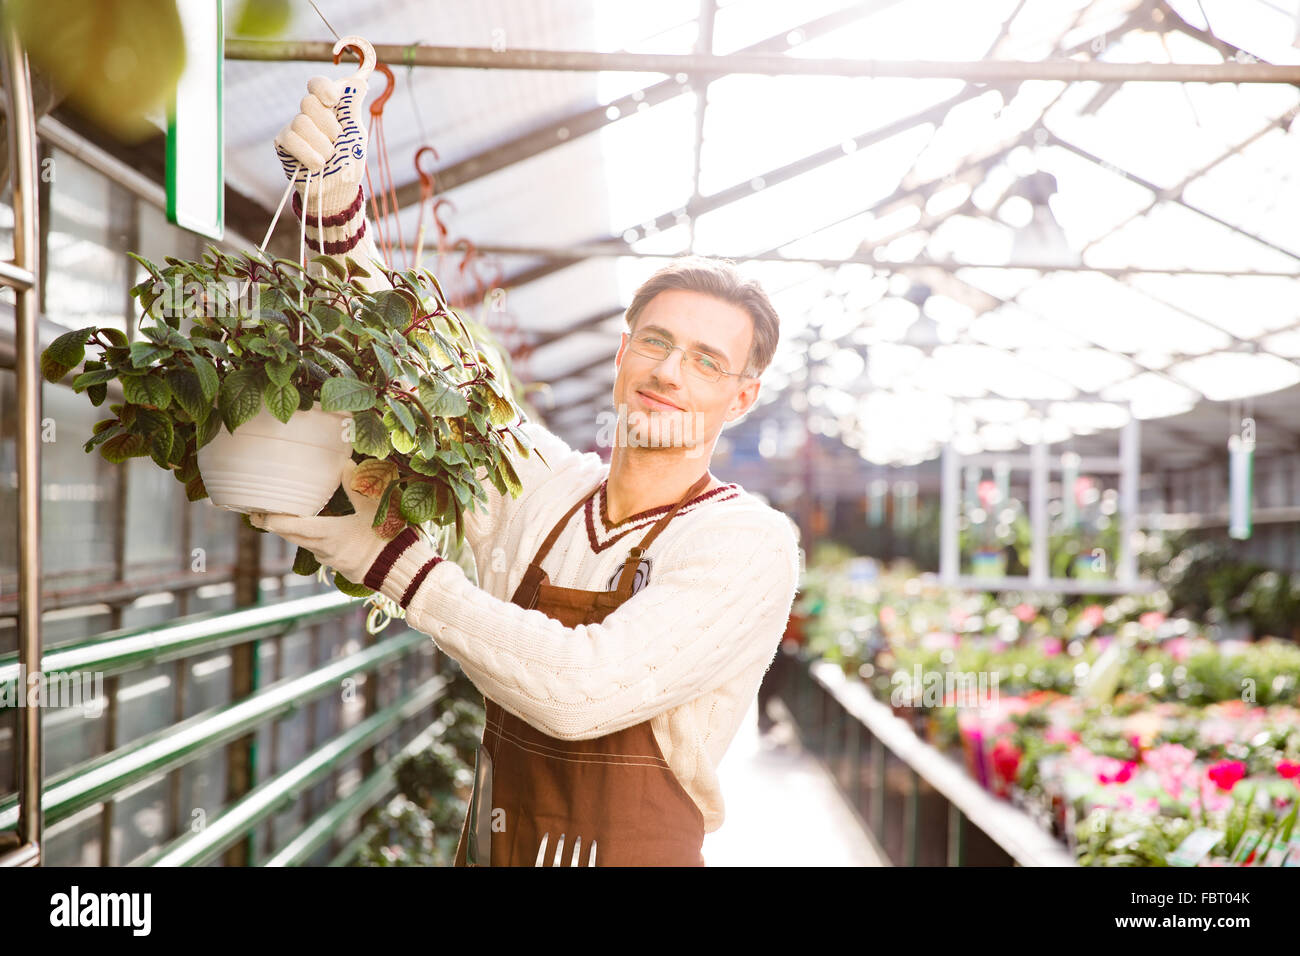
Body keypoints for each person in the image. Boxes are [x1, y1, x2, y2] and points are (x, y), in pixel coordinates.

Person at [252, 67, 801, 867]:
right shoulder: (547, 487)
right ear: (622, 352)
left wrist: (396, 567)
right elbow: (432, 374)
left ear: (741, 396)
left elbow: (583, 692)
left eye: (705, 360)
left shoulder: (744, 544)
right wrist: (337, 217)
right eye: (654, 341)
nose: (668, 372)